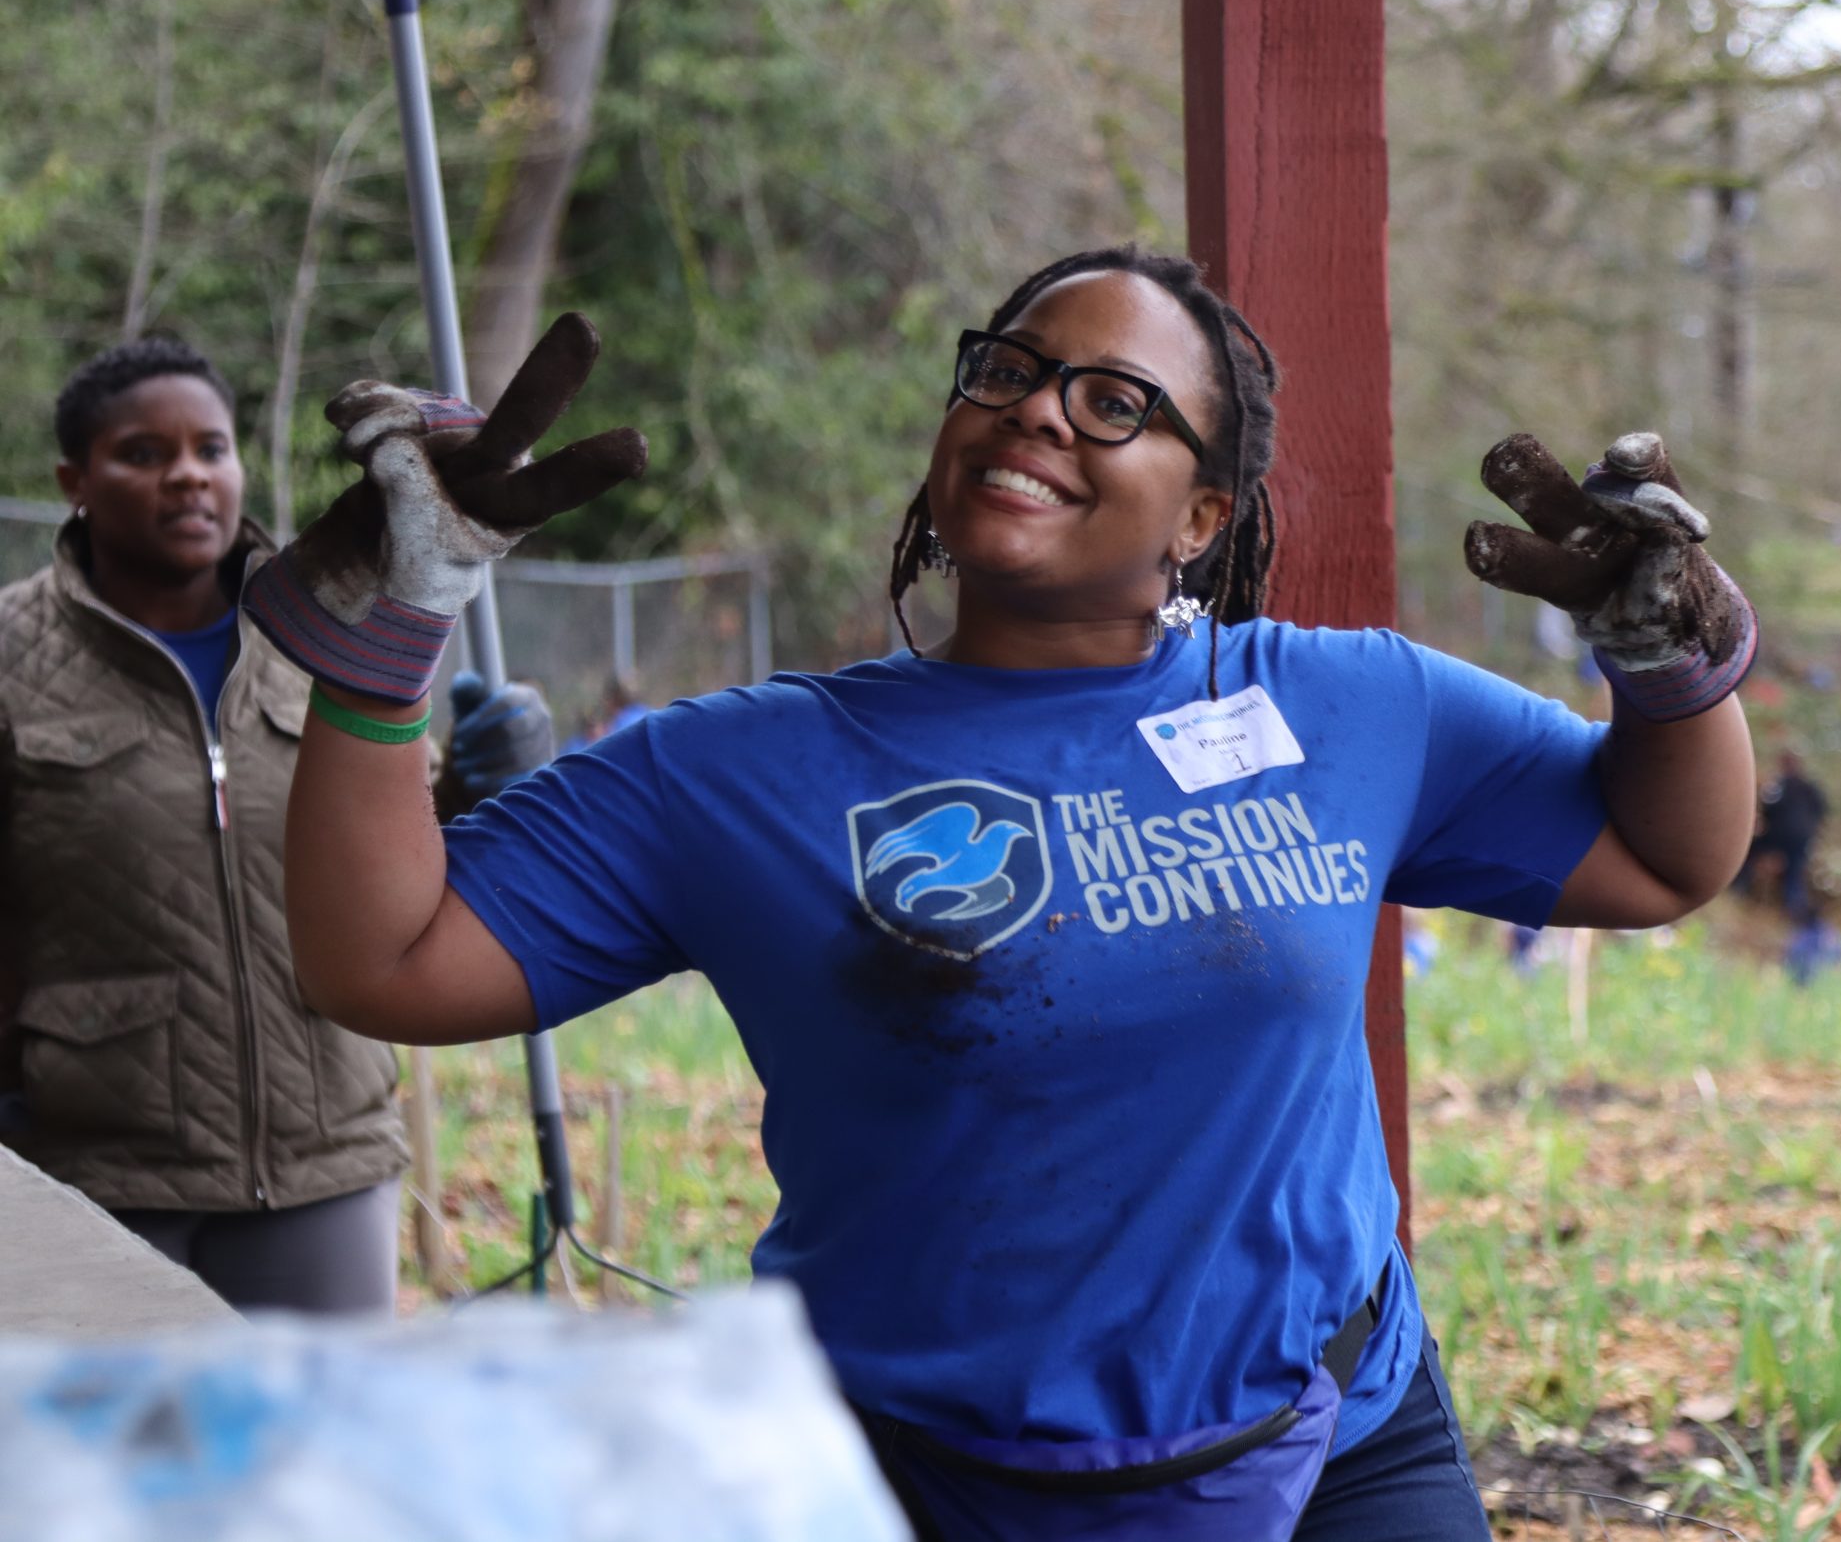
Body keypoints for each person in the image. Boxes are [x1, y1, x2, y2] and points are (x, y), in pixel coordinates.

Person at [243, 249, 1761, 1541]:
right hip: (921, 1474)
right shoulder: (739, 770)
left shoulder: (1352, 708)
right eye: (1009, 372)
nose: (1038, 405)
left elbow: (1661, 853)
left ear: (1201, 522)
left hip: (1337, 1451)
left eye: (1116, 400)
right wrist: (399, 621)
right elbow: (382, 959)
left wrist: (1666, 658)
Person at [0, 337, 414, 1313]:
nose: (186, 473)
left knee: (324, 1456)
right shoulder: (12, 661)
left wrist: (479, 777)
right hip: (92, 1175)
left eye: (211, 448)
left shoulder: (333, 638)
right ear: (75, 480)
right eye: (143, 453)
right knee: (116, 1464)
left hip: (325, 1158)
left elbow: (409, 842)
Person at [1752, 749, 1827, 918]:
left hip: (1779, 835)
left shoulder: (1780, 785)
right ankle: (1795, 911)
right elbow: (1821, 809)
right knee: (1794, 872)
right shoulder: (1810, 787)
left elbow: (1770, 807)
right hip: (1802, 837)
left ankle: (1738, 887)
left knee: (1749, 851)